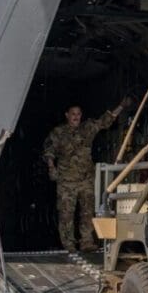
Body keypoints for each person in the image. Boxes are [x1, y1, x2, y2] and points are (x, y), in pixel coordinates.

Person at [43, 102, 125, 251]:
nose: (76, 117)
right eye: (73, 114)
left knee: (87, 211)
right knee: (66, 213)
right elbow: (49, 151)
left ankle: (86, 241)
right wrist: (51, 167)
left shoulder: (87, 128)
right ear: (67, 115)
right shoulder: (58, 133)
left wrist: (121, 106)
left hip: (85, 178)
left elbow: (105, 121)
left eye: (78, 114)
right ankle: (68, 244)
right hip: (66, 180)